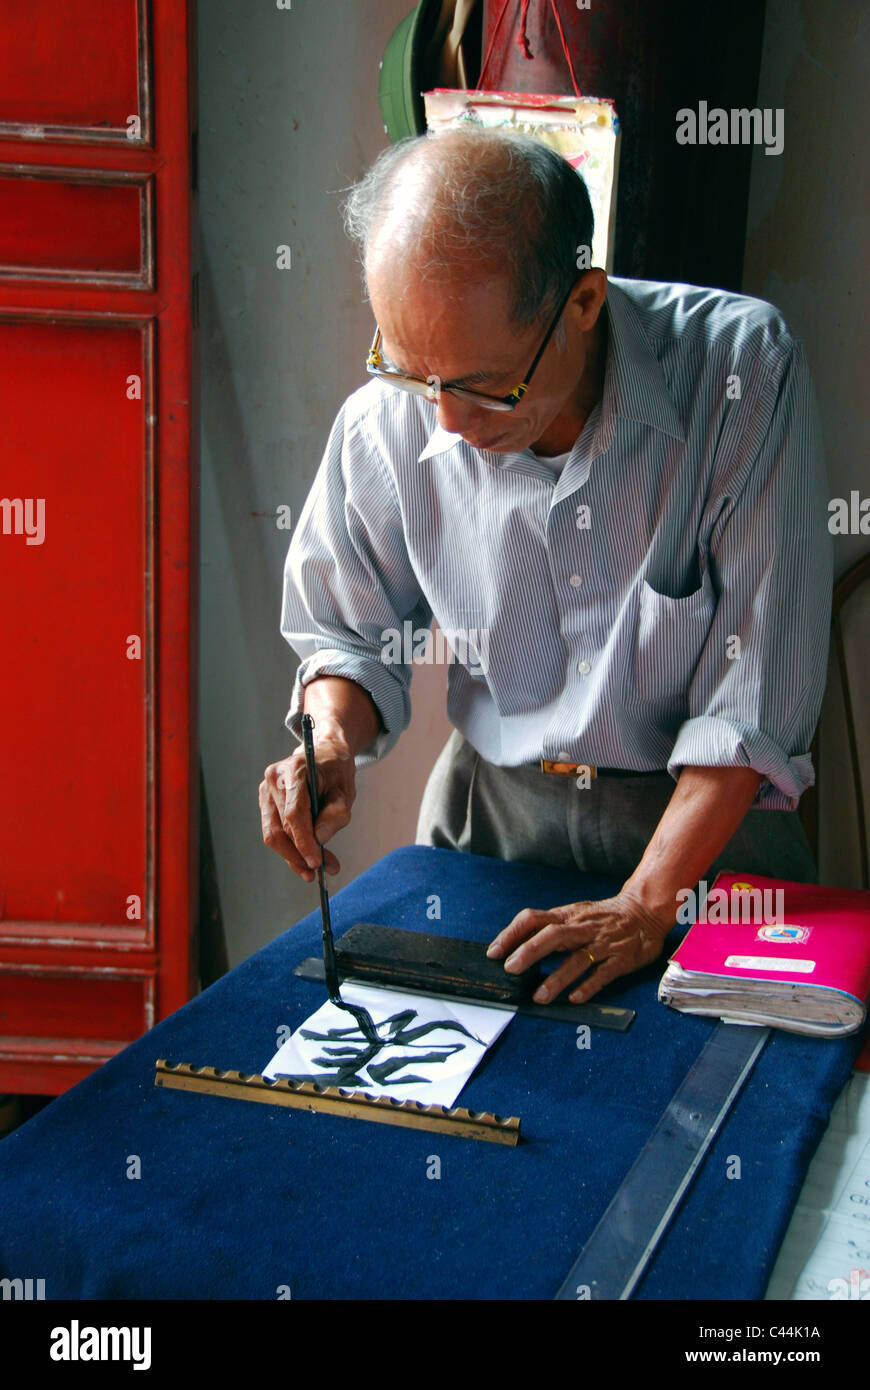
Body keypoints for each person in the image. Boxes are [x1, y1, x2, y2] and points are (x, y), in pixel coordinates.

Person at [259, 126, 831, 1005]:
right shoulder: (391, 417)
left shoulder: (739, 374)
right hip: (495, 821)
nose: (446, 422)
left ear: (585, 303)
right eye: (414, 374)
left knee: (727, 1112)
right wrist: (329, 737)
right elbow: (347, 632)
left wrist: (646, 905)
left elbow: (752, 700)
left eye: (486, 385)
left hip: (706, 838)